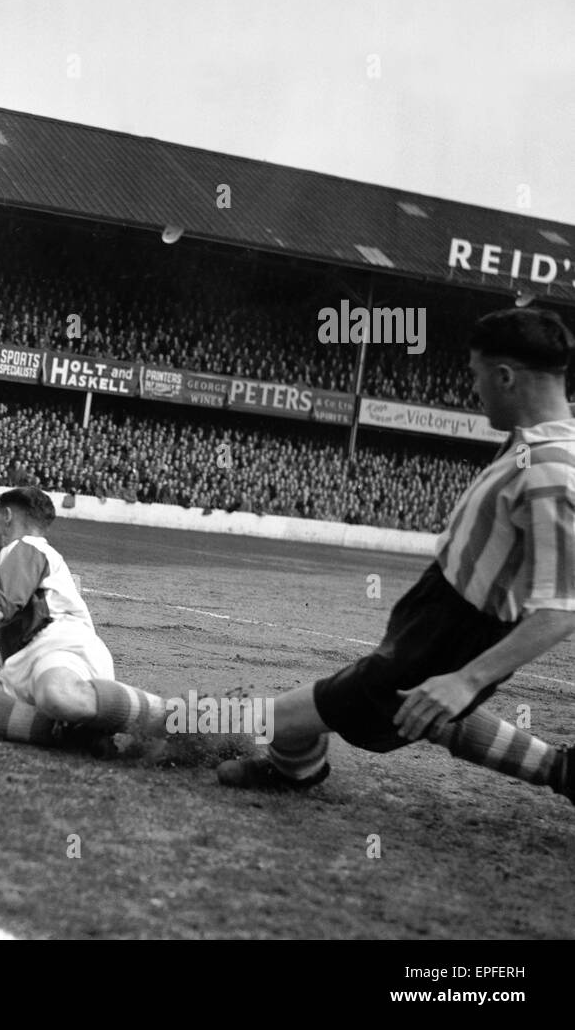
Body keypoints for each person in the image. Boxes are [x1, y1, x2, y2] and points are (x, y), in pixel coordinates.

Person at [218, 307, 575, 803]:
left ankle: (293, 773)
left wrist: (467, 679)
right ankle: (564, 771)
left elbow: (559, 610)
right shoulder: (531, 439)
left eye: (476, 375)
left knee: (280, 722)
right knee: (426, 711)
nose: (474, 389)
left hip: (452, 633)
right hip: (438, 617)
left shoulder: (555, 469)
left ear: (506, 376)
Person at [0, 486, 169, 753]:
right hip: (24, 669)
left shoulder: (27, 547)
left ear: (7, 516)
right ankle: (77, 731)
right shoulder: (24, 558)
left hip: (60, 651)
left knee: (56, 695)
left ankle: (186, 718)